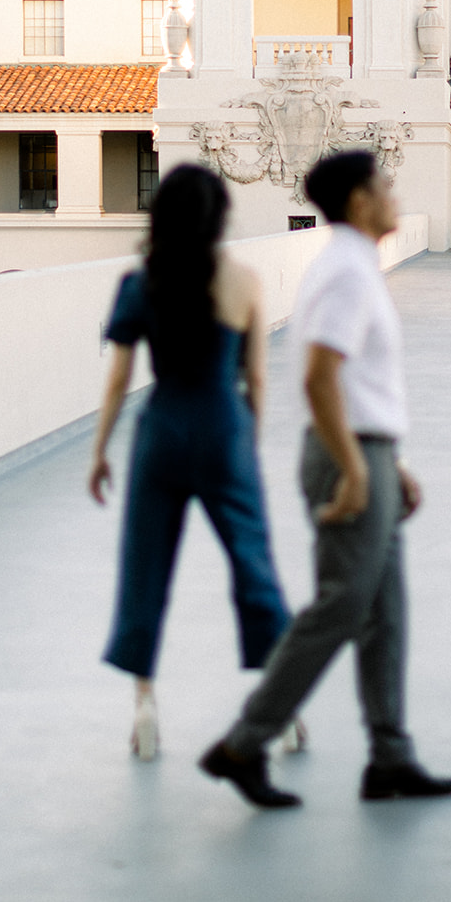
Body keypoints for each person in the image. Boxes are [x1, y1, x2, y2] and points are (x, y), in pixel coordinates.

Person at [199, 150, 451, 808]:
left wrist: (388, 462)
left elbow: (351, 381)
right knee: (341, 607)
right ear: (355, 202)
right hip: (343, 455)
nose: (393, 195)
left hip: (365, 449)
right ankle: (242, 742)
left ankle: (390, 758)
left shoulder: (353, 267)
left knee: (384, 614)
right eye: (383, 186)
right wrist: (354, 470)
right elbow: (319, 377)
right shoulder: (345, 273)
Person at [88, 162, 292, 761]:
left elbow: (119, 378)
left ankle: (145, 707)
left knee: (145, 570)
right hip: (221, 427)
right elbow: (256, 377)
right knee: (253, 565)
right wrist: (244, 449)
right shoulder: (244, 281)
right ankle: (280, 711)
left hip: (161, 431)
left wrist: (100, 451)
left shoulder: (139, 281)